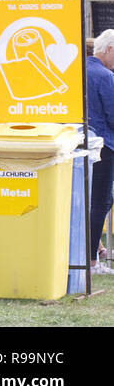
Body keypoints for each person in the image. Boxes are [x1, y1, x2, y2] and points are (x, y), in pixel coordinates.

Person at [88, 31, 114, 272]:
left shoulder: (79, 71)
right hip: (104, 146)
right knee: (101, 201)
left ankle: (93, 247)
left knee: (87, 201)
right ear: (108, 50)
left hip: (78, 145)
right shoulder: (105, 76)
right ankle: (92, 261)